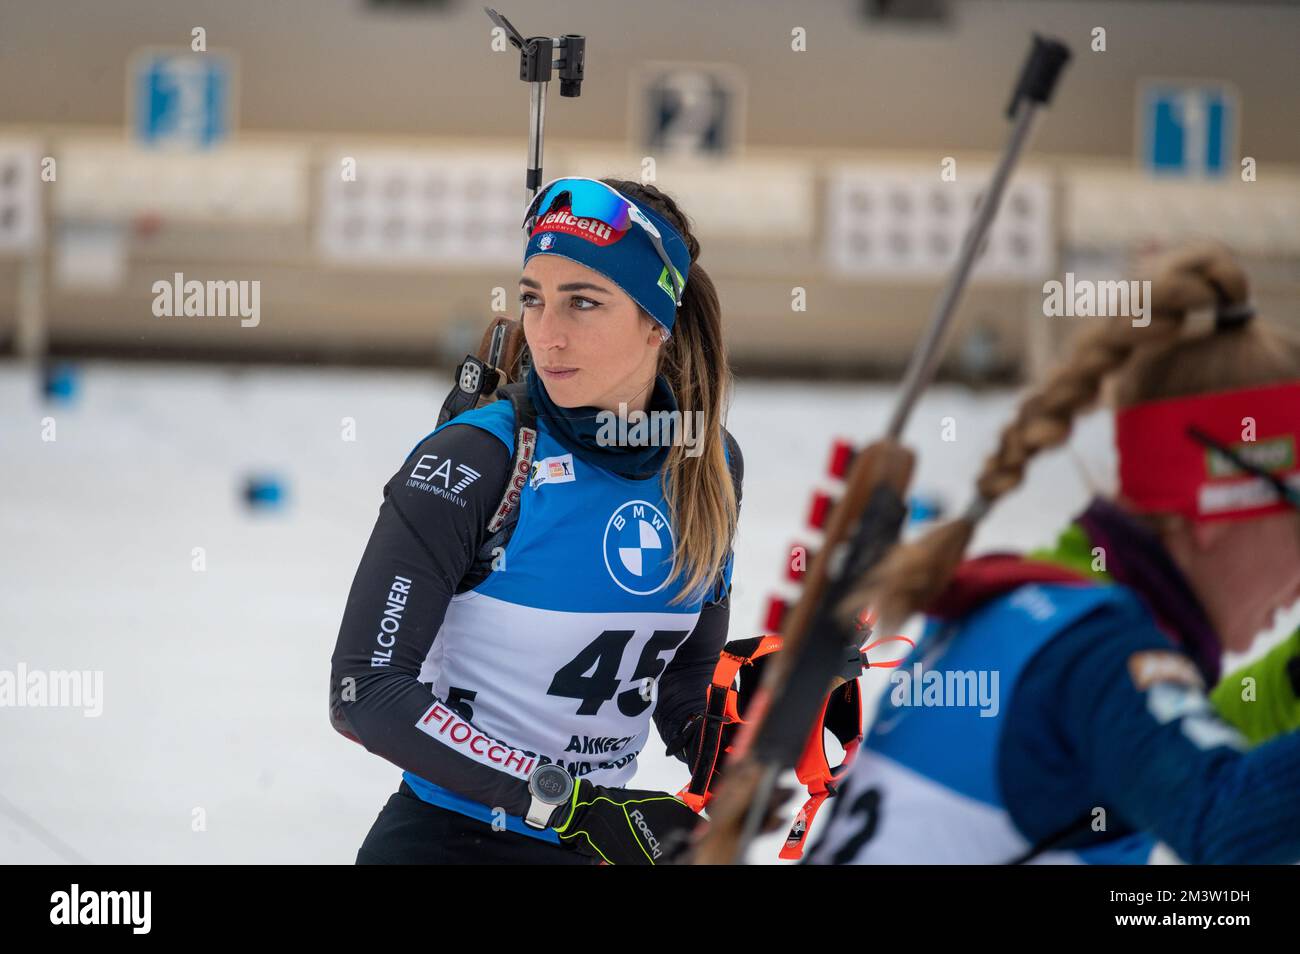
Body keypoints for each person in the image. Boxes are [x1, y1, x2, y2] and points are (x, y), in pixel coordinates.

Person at [805, 242, 1300, 865]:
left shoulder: (1038, 613)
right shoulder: (1096, 650)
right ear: (1215, 512)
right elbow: (1226, 824)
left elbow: (1159, 751)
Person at [329, 177, 743, 864]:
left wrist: (769, 710)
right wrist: (564, 801)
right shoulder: (479, 460)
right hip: (452, 842)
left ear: (656, 323)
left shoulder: (708, 462)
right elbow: (365, 691)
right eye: (533, 300)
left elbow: (682, 687)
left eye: (583, 302)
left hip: (600, 846)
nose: (547, 334)